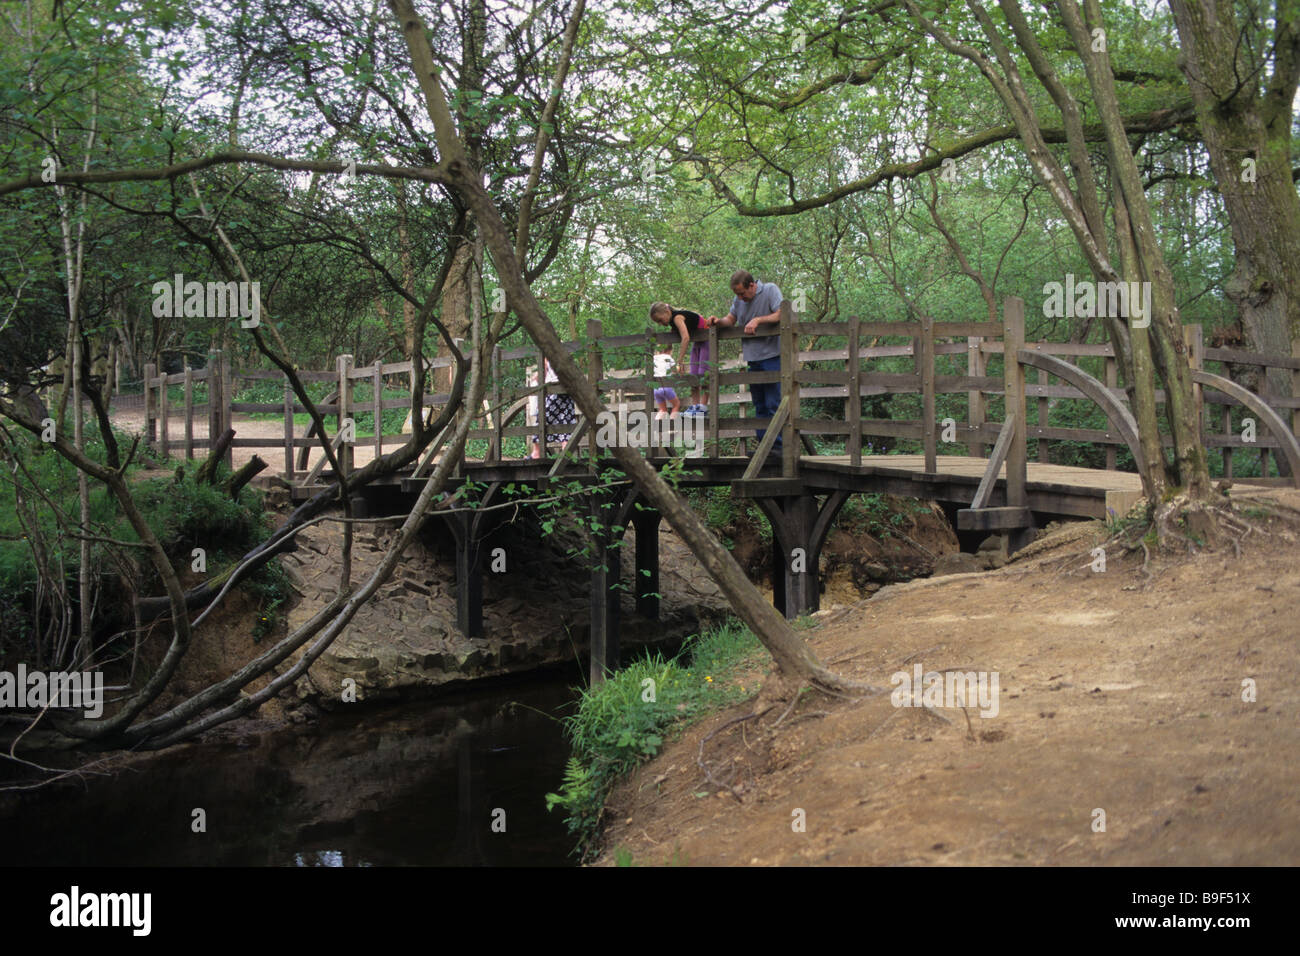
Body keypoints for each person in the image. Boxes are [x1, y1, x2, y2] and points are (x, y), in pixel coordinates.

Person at [712, 270, 784, 453]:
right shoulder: (739, 300)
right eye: (737, 294)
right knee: (759, 404)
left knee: (774, 403)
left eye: (742, 293)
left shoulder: (770, 290)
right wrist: (717, 322)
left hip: (772, 356)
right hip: (753, 359)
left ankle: (778, 447)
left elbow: (781, 313)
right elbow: (730, 319)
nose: (740, 297)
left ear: (752, 285)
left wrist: (758, 320)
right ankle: (764, 448)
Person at [649, 302, 712, 416]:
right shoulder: (673, 324)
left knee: (703, 373)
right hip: (698, 342)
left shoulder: (677, 318)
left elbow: (686, 338)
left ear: (667, 312)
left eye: (660, 320)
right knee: (693, 375)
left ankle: (703, 408)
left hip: (707, 340)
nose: (660, 323)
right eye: (658, 322)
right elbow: (671, 339)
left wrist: (680, 360)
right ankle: (695, 407)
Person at [529, 358, 575, 459]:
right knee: (565, 420)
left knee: (541, 418)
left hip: (554, 389)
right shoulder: (564, 353)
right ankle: (566, 453)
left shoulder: (548, 354)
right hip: (568, 390)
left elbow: (543, 371)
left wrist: (535, 378)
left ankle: (537, 452)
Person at [652, 346, 680, 420]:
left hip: (656, 388)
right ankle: (671, 427)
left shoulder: (654, 358)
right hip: (666, 387)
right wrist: (678, 367)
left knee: (663, 410)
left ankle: (655, 427)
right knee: (676, 405)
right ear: (670, 350)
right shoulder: (669, 358)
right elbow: (675, 370)